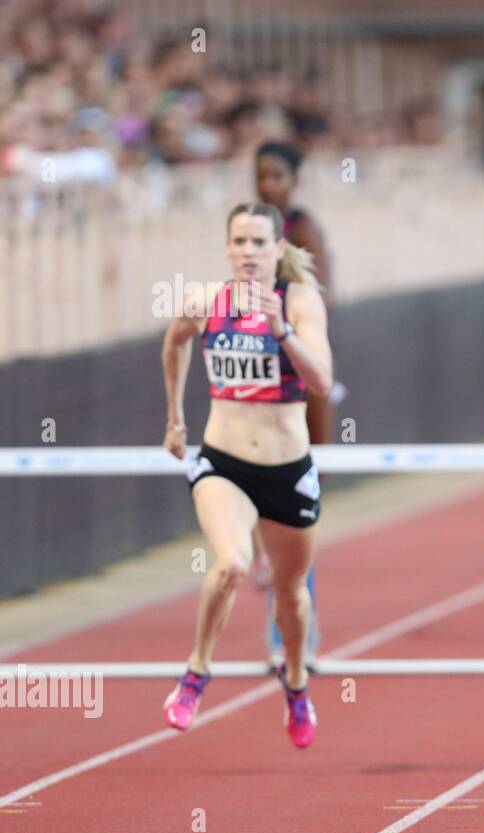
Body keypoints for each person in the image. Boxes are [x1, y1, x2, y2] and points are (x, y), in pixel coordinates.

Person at [160, 202, 333, 745]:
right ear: (228, 248)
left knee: (290, 594)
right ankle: (196, 672)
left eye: (260, 242)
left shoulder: (300, 300)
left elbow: (323, 381)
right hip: (223, 460)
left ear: (278, 249)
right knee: (232, 562)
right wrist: (175, 417)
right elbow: (174, 342)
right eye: (239, 242)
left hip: (286, 469)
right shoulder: (206, 301)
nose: (249, 252)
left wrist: (283, 331)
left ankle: (297, 684)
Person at [254, 140, 338, 672]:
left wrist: (289, 334)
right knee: (264, 510)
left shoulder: (302, 232)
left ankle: (296, 633)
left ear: (295, 180)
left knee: (299, 506)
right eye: (260, 176)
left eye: (278, 176)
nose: (268, 185)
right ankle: (282, 630)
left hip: (300, 380)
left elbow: (322, 299)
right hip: (256, 384)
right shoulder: (251, 232)